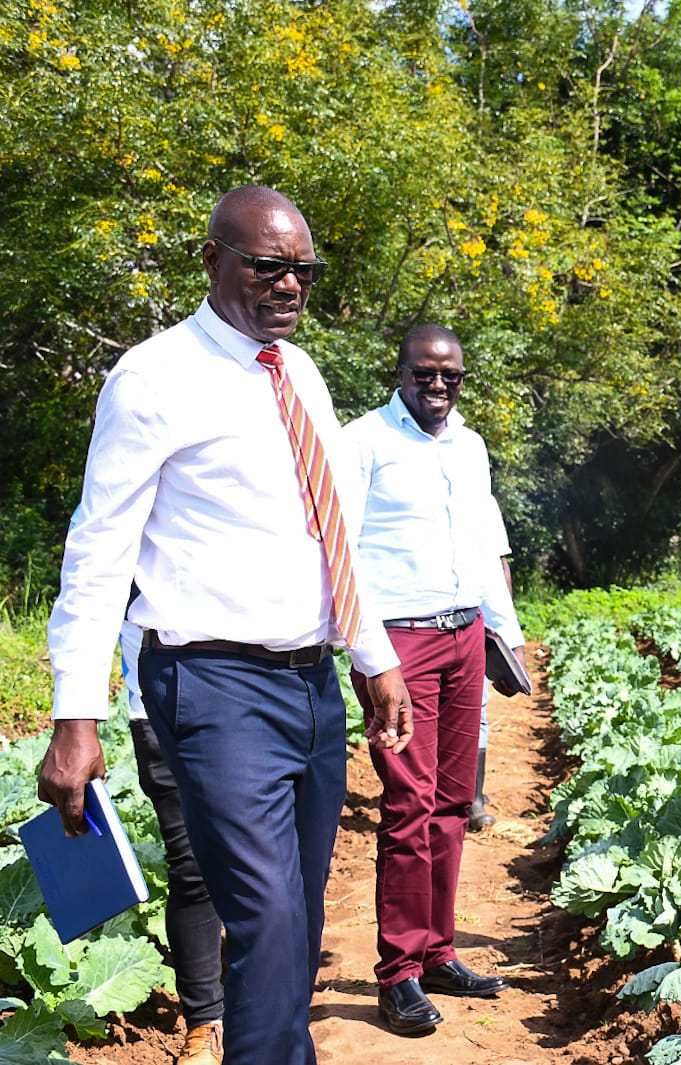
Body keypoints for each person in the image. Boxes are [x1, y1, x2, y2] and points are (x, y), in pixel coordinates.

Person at [38, 185, 413, 1065]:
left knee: (302, 910)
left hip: (309, 682)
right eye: (268, 266)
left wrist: (372, 656)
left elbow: (334, 533)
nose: (289, 285)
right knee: (267, 911)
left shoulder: (303, 373)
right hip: (210, 679)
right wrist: (74, 715)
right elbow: (97, 550)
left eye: (304, 271)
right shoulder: (153, 377)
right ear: (213, 261)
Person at [342, 324, 525, 1033]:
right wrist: (369, 657)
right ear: (400, 372)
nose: (439, 386)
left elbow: (481, 541)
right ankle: (397, 973)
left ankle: (439, 951)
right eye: (425, 374)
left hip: (464, 634)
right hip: (400, 645)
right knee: (408, 803)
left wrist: (504, 632)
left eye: (451, 375)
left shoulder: (470, 445)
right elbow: (340, 552)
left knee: (453, 799)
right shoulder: (362, 441)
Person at [119, 611, 226, 1065]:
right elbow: (91, 588)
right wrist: (74, 719)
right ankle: (206, 1023)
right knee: (192, 863)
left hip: (263, 691)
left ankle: (269, 1007)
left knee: (277, 863)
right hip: (161, 701)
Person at [469, 498, 515, 833]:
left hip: (477, 620)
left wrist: (506, 628)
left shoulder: (484, 501)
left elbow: (500, 565)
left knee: (476, 709)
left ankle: (473, 799)